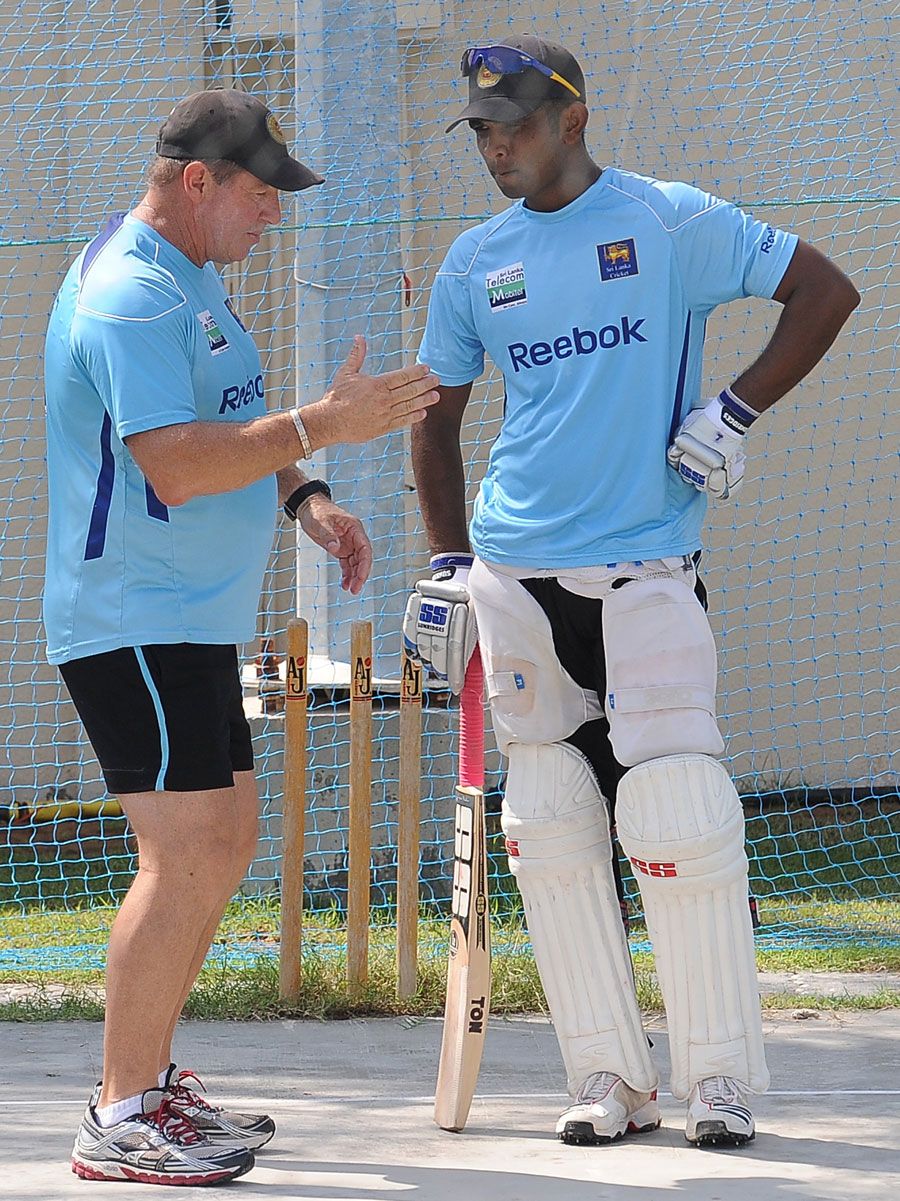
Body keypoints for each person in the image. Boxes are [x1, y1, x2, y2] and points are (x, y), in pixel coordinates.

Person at [404, 34, 859, 1148]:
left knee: (679, 811)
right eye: (481, 128)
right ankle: (609, 1076)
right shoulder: (475, 260)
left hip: (647, 565)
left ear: (574, 117)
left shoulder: (667, 221)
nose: (496, 144)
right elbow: (436, 418)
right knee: (551, 820)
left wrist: (735, 409)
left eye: (514, 121)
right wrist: (454, 560)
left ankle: (716, 1079)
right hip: (516, 575)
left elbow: (824, 290)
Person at [44, 87, 440, 1186]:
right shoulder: (130, 292)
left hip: (187, 622)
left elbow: (230, 416)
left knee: (221, 844)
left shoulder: (195, 283)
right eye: (262, 195)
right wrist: (326, 421)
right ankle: (120, 1113)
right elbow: (172, 460)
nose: (276, 216)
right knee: (185, 855)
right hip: (133, 618)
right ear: (199, 182)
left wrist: (305, 490)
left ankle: (149, 1084)